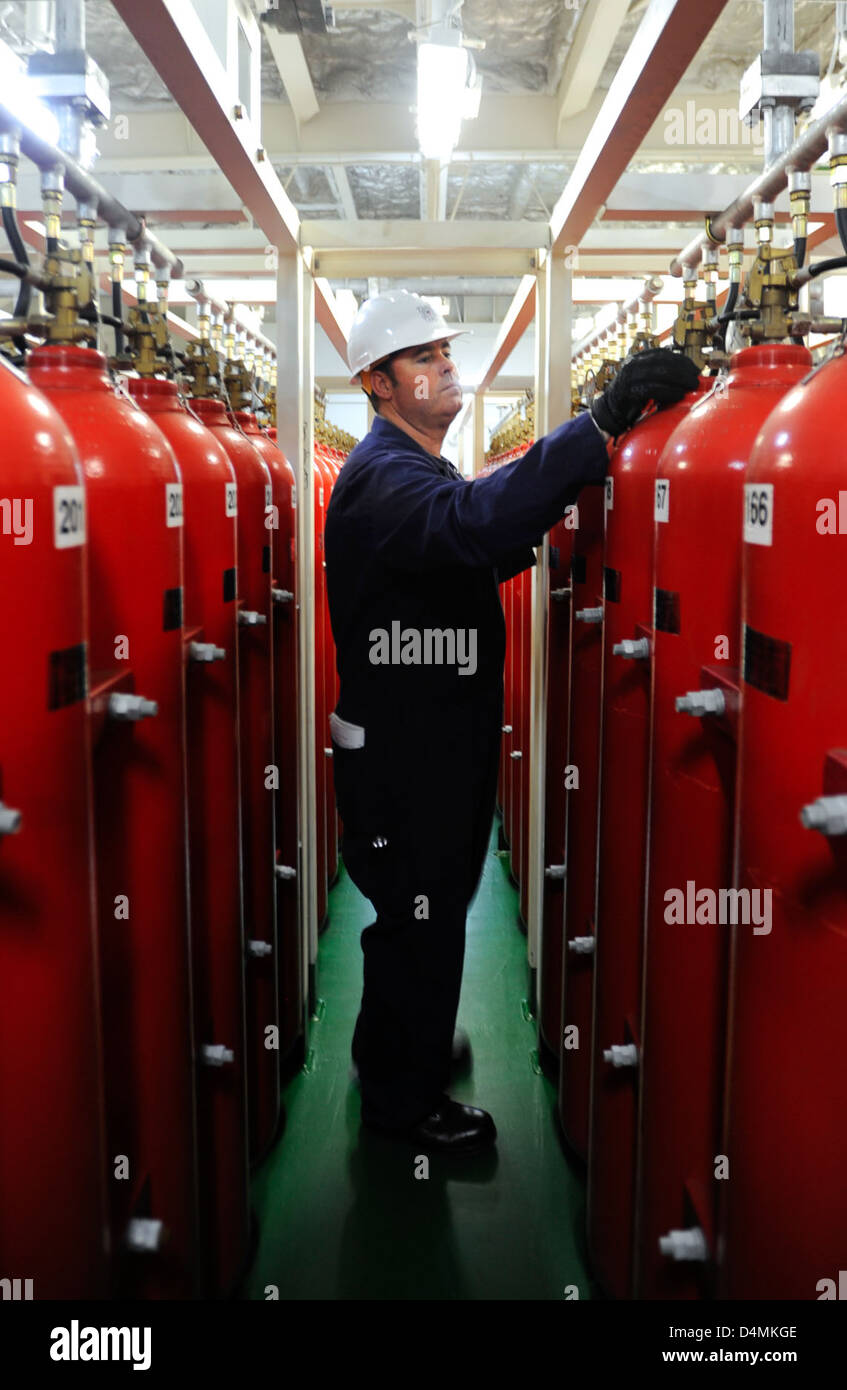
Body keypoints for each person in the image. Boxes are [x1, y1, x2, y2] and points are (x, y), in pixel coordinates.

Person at [324, 289, 698, 1155]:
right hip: (405, 758)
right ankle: (401, 1113)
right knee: (420, 915)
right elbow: (472, 527)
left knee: (419, 915)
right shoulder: (384, 476)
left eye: (444, 351)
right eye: (422, 358)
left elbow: (477, 543)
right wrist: (596, 425)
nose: (444, 365)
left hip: (424, 743)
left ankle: (394, 1046)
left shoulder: (416, 468)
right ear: (378, 386)